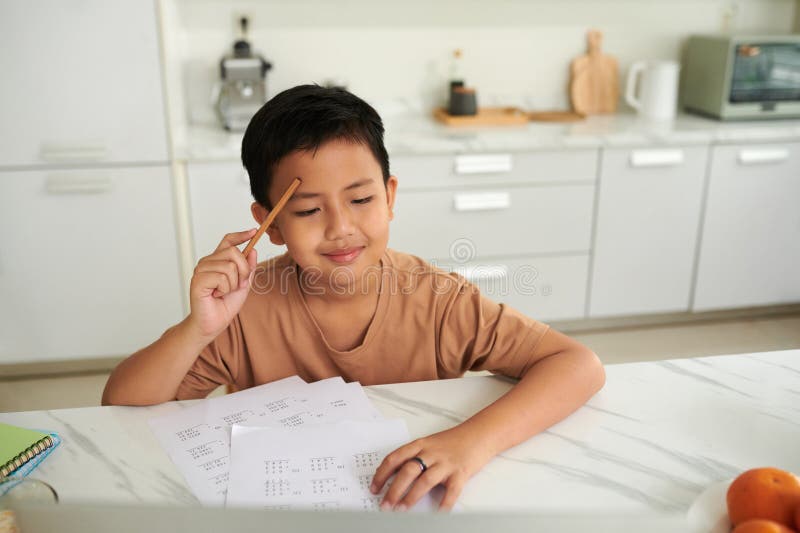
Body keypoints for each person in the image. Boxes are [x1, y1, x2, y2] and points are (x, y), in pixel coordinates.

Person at [102, 84, 605, 511]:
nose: (341, 229)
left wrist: (471, 443)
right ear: (269, 225)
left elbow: (577, 364)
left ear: (389, 197)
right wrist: (199, 328)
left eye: (361, 200)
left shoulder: (439, 300)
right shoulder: (244, 307)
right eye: (306, 210)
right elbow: (121, 405)